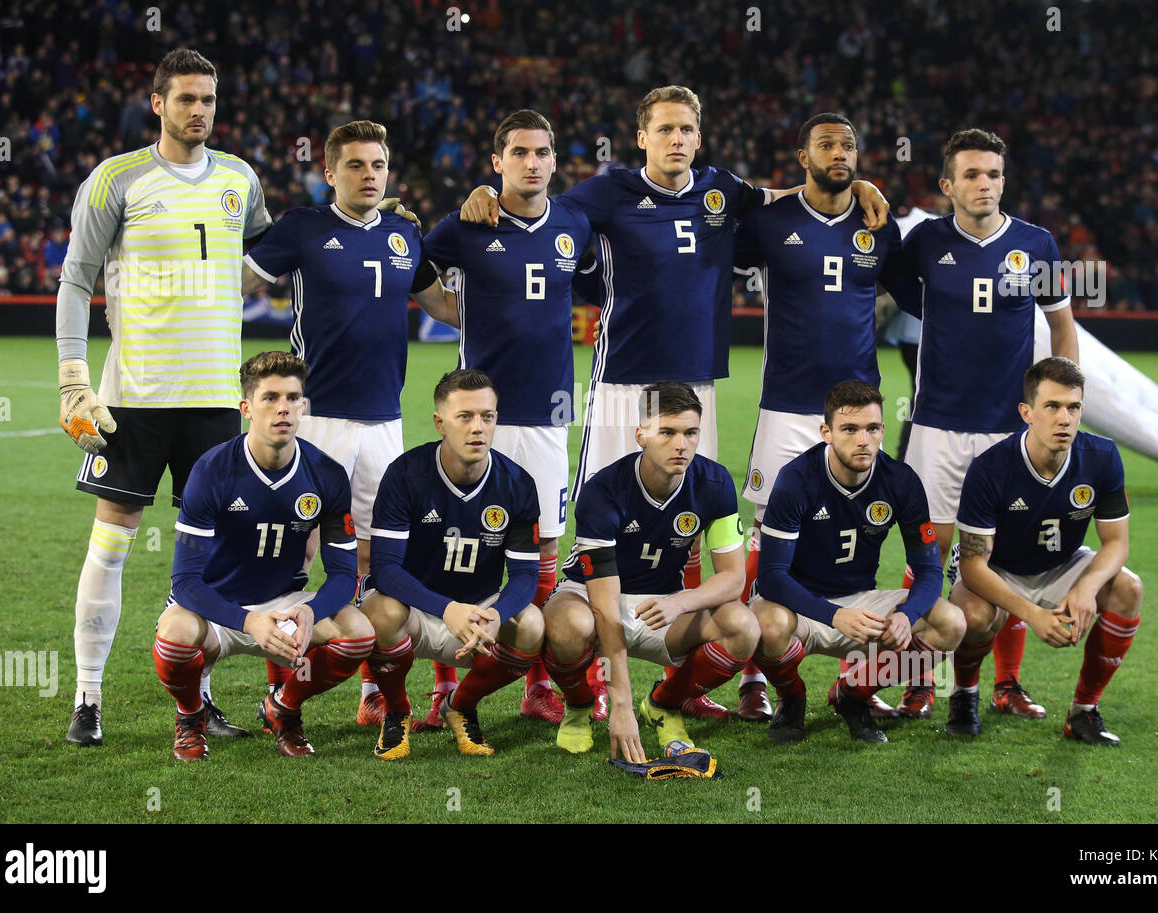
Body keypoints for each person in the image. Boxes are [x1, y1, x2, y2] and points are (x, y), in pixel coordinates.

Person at [462, 85, 890, 722]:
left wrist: (857, 188)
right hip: (622, 387)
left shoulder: (722, 191)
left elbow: (787, 203)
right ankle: (557, 677)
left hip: (697, 391)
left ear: (700, 135)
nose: (677, 139)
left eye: (687, 129)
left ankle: (704, 679)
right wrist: (488, 193)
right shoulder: (607, 191)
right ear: (642, 137)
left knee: (696, 527)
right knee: (593, 529)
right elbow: (538, 208)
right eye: (664, 129)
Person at [56, 49, 271, 746]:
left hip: (215, 399)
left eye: (208, 99)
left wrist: (349, 221)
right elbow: (74, 280)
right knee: (112, 543)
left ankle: (198, 699)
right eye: (185, 99)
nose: (199, 111)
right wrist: (72, 379)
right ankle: (88, 696)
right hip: (134, 401)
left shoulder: (240, 178)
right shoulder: (116, 178)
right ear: (157, 103)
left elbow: (275, 255)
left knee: (206, 558)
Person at [239, 119, 459, 726]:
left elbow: (443, 305)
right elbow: (238, 283)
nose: (368, 176)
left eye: (377, 166)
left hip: (384, 421)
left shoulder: (403, 234)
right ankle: (284, 693)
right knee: (293, 551)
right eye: (355, 166)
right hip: (314, 420)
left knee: (376, 556)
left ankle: (371, 691)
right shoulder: (303, 229)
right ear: (329, 172)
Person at [885, 128, 1080, 718]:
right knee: (929, 552)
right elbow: (899, 291)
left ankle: (1006, 683)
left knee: (1005, 558)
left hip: (1007, 428)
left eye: (993, 174)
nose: (984, 184)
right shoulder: (924, 241)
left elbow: (1061, 323)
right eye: (970, 174)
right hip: (937, 424)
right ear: (947, 186)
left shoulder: (1036, 243)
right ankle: (919, 680)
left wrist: (1066, 394)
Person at [734, 113, 918, 718]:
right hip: (786, 405)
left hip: (856, 408)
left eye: (848, 145)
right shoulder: (769, 221)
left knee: (861, 530)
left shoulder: (878, 225)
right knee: (765, 536)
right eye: (825, 145)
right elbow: (713, 229)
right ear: (802, 154)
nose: (839, 153)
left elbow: (917, 295)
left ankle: (856, 671)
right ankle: (754, 679)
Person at [420, 109, 595, 727]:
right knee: (456, 542)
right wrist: (459, 315)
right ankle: (445, 687)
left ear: (553, 160)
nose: (532, 162)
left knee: (542, 544)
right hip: (479, 412)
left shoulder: (574, 223)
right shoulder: (465, 225)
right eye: (519, 152)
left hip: (546, 415)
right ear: (498, 162)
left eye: (542, 152)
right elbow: (413, 271)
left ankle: (538, 685)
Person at [151, 352, 371, 761]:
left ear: (304, 406)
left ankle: (282, 708)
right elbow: (184, 582)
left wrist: (311, 611)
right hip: (216, 606)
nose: (283, 408)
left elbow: (343, 573)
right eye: (270, 398)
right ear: (246, 408)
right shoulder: (211, 470)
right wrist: (247, 620)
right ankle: (189, 715)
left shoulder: (327, 474)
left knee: (357, 632)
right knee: (175, 635)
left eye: (292, 397)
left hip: (285, 606)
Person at [540, 382, 758, 761]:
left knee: (743, 627)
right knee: (566, 626)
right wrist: (621, 705)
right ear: (641, 435)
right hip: (590, 596)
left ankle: (663, 703)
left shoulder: (715, 483)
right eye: (667, 432)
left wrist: (682, 602)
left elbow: (733, 578)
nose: (681, 444)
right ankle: (579, 705)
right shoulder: (603, 491)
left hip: (663, 604)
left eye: (690, 433)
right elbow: (607, 610)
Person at [749, 380, 964, 743]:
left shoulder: (901, 481)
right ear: (827, 432)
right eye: (849, 429)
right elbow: (771, 577)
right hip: (799, 606)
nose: (863, 439)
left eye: (872, 428)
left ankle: (853, 695)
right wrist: (834, 615)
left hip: (861, 602)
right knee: (766, 626)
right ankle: (791, 698)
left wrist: (905, 615)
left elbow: (929, 569)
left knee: (950, 623)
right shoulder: (795, 480)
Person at [947, 358, 1141, 745]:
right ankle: (964, 694)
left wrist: (1086, 588)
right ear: (1027, 413)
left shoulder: (1102, 457)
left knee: (1128, 589)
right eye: (1052, 407)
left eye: (1073, 407)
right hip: (996, 568)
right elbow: (972, 566)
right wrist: (1033, 614)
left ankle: (1083, 712)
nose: (1064, 419)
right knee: (974, 613)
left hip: (1062, 563)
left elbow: (1117, 542)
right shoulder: (990, 468)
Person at [357, 369, 545, 760]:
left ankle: (461, 704)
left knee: (531, 625)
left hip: (480, 613)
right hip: (417, 609)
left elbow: (527, 575)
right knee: (377, 612)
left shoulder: (518, 484)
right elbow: (386, 568)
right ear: (440, 422)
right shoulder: (405, 474)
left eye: (487, 416)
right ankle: (396, 711)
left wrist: (497, 614)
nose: (478, 427)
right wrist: (446, 609)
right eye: (465, 417)